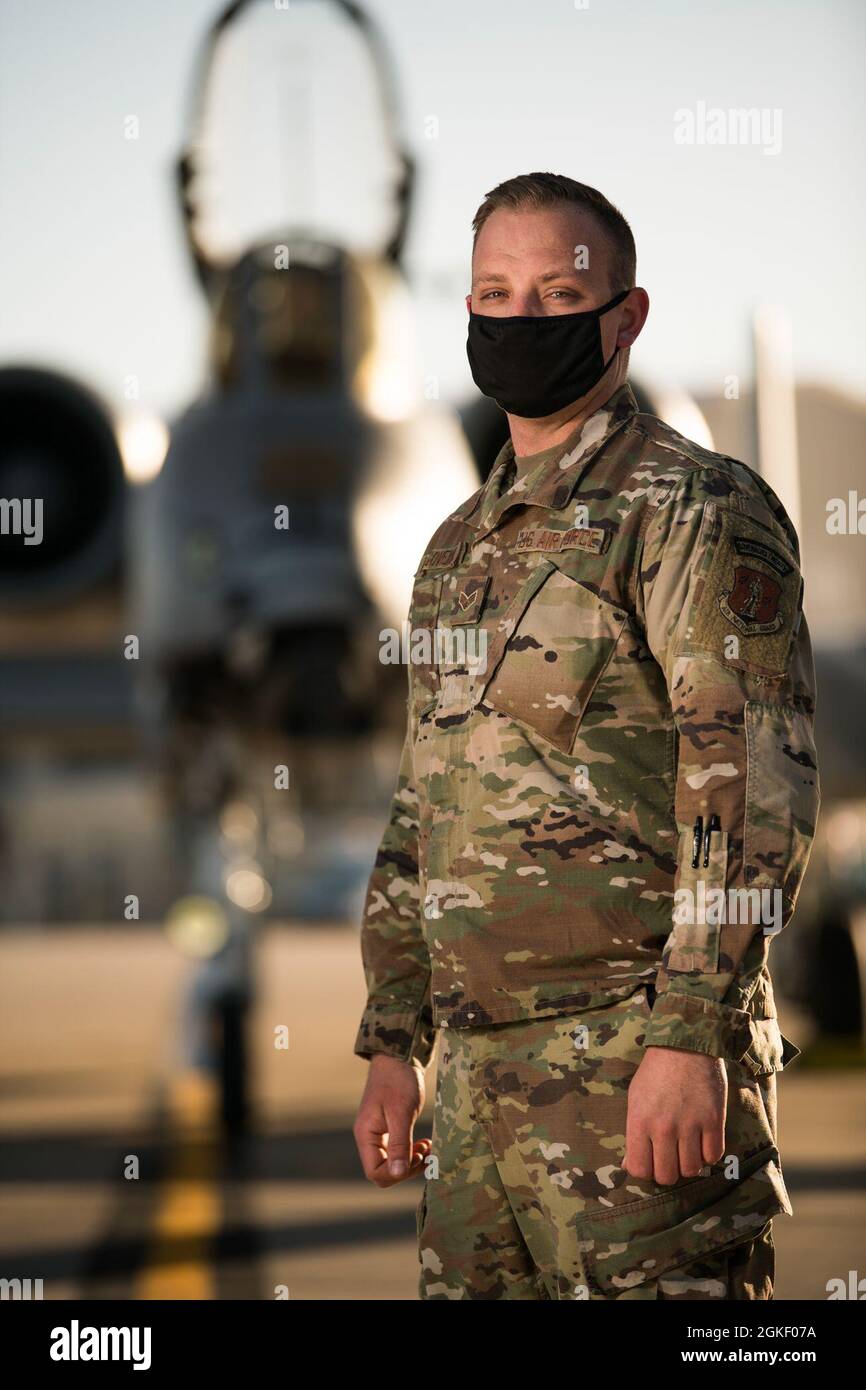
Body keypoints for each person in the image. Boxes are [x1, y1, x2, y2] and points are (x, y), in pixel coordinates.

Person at [352, 172, 820, 1300]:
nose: (520, 323)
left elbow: (746, 787)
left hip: (630, 1067)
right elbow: (427, 809)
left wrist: (690, 1033)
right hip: (471, 1091)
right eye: (492, 295)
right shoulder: (455, 549)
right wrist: (389, 1040)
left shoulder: (689, 507)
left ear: (624, 315)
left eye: (556, 293)